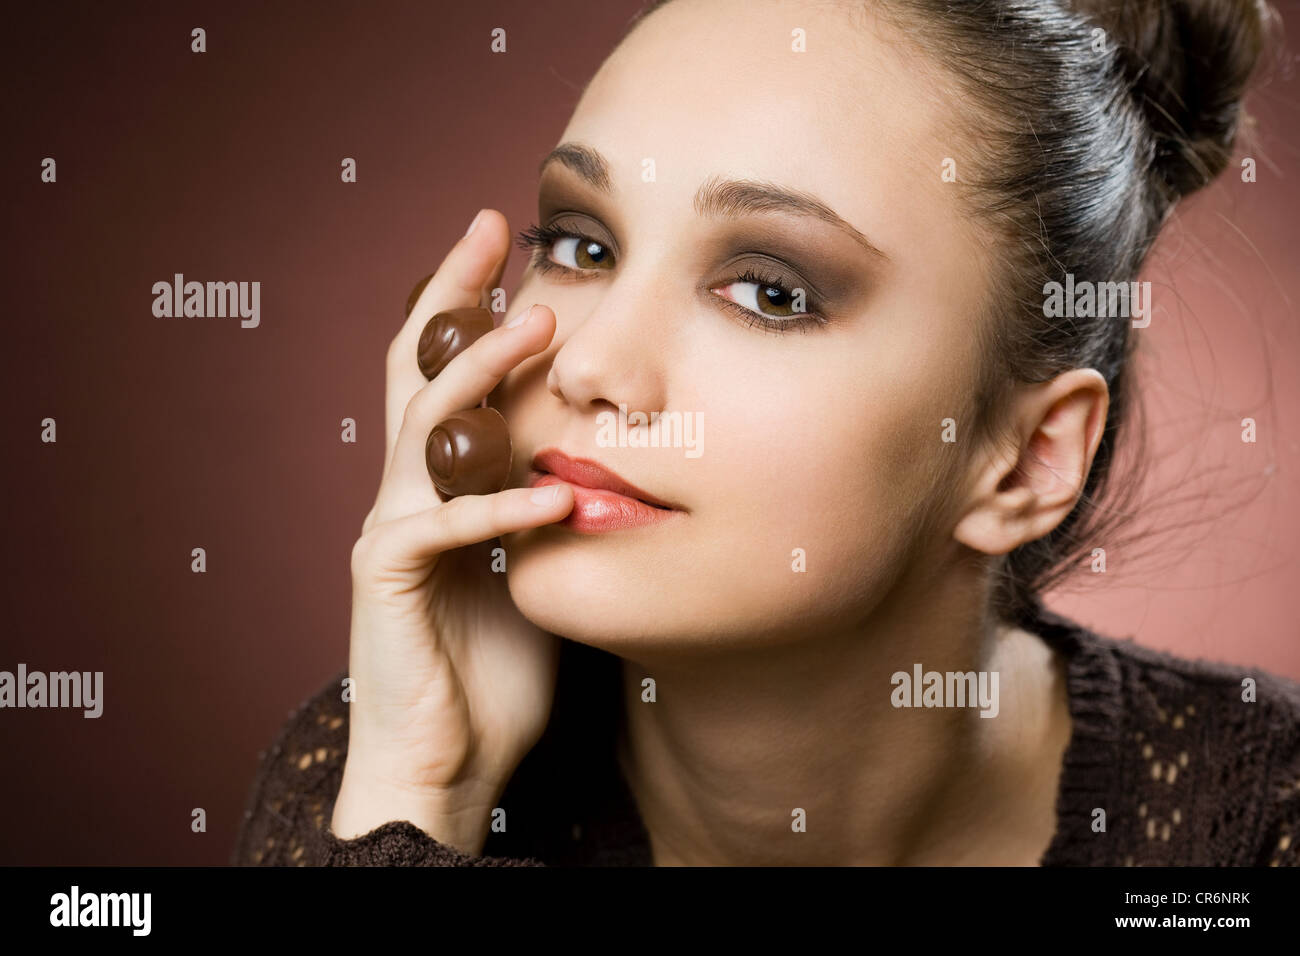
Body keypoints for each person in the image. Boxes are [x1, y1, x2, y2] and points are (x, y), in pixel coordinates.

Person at [233, 0, 1300, 867]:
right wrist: (422, 799)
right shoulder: (370, 768)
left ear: (1023, 459)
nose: (588, 364)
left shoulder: (1255, 822)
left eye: (770, 292)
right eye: (580, 245)